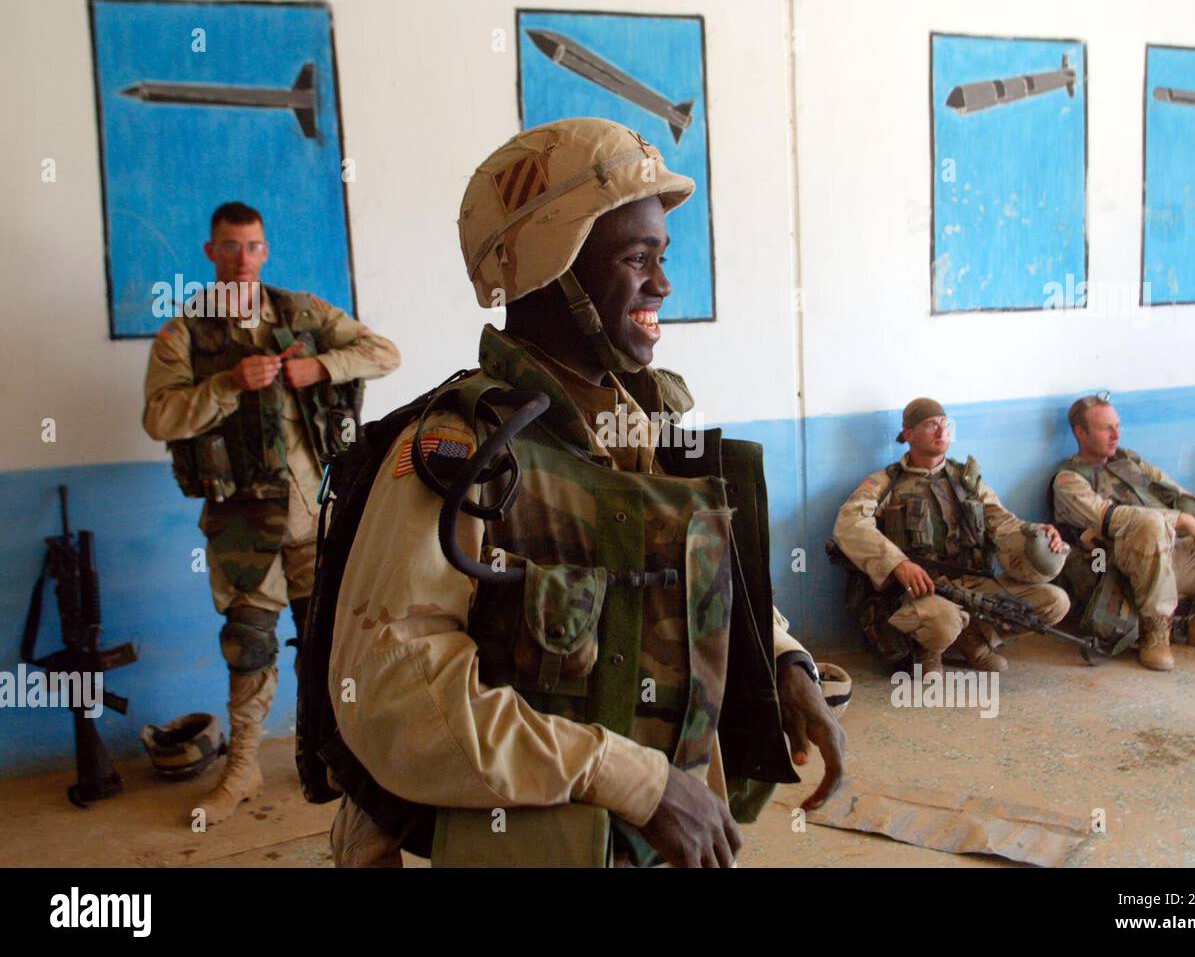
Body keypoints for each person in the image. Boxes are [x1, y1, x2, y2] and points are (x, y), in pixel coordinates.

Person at [322, 118, 847, 868]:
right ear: (550, 269)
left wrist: (785, 661)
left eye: (662, 256)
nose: (662, 283)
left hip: (656, 835)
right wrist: (631, 778)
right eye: (635, 258)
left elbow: (697, 577)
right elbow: (394, 697)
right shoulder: (460, 451)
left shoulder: (652, 420)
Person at [143, 201, 400, 824]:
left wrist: (322, 365)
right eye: (229, 247)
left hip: (316, 516)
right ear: (211, 253)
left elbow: (384, 352)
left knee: (325, 646)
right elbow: (160, 418)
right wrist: (227, 384)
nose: (242, 259)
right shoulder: (186, 333)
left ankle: (329, 758)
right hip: (243, 524)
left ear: (265, 250)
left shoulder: (302, 313)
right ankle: (244, 767)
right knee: (249, 646)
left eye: (252, 246)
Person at [832, 397, 1070, 674]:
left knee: (1054, 601)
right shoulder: (886, 483)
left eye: (945, 424)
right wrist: (897, 563)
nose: (941, 431)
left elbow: (1002, 522)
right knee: (943, 620)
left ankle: (973, 641)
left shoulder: (966, 481)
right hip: (924, 590)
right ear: (908, 434)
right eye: (931, 424)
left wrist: (1038, 533)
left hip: (974, 583)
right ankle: (928, 650)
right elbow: (849, 524)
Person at [1051, 394, 1195, 671]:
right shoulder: (1068, 480)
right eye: (1106, 428)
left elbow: (1182, 495)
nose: (1116, 435)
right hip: (1130, 566)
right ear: (1081, 432)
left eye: (1118, 426)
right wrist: (1182, 520)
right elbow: (1111, 517)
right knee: (1150, 524)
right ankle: (1156, 633)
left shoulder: (1131, 463)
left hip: (1178, 558)